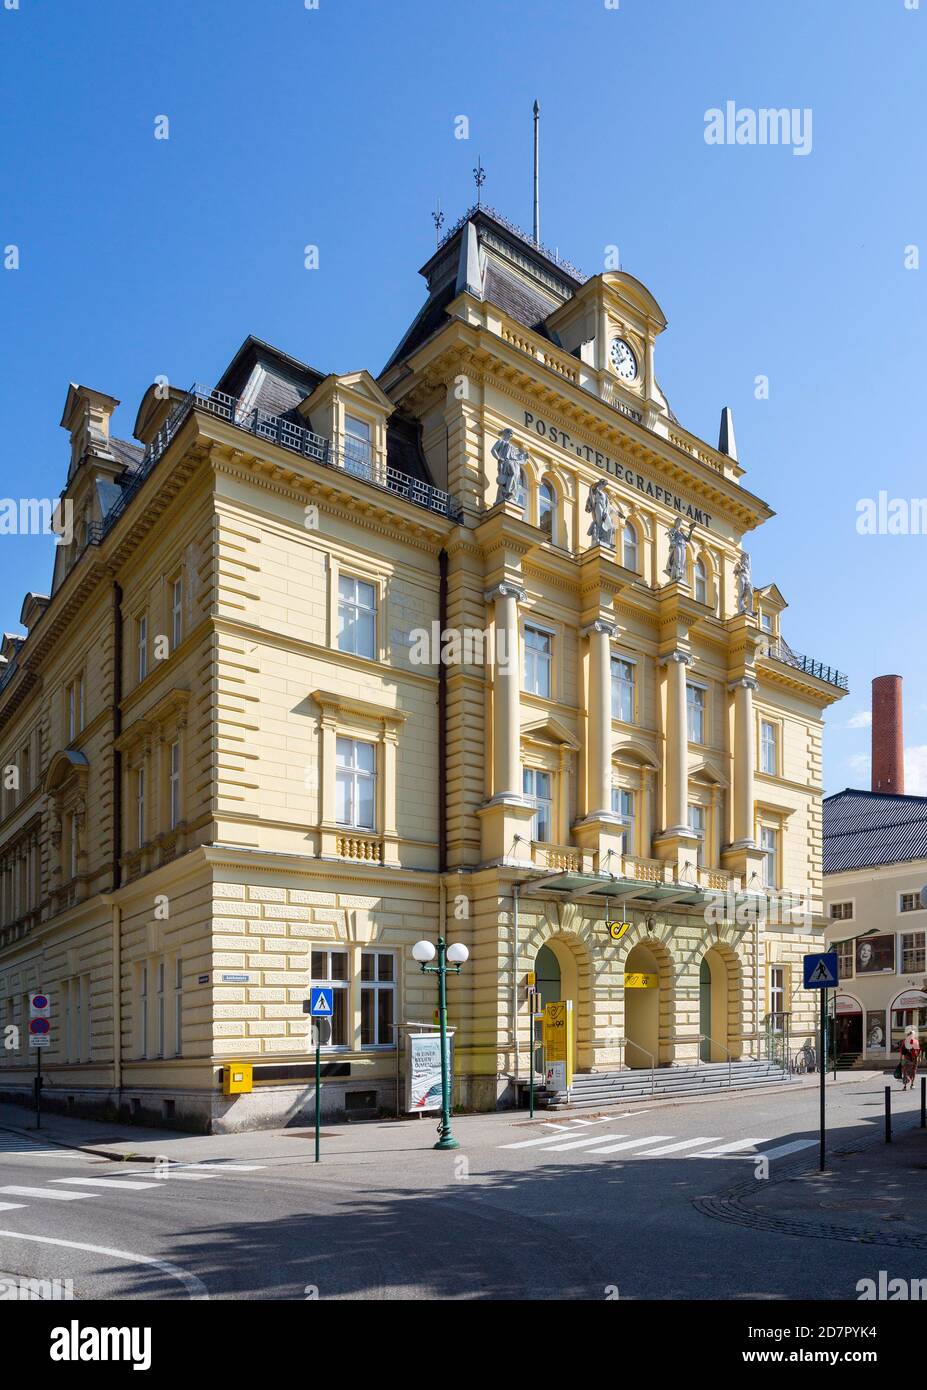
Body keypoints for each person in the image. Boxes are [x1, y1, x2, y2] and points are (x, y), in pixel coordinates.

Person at [898, 1025, 921, 1089]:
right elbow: (918, 1051)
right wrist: (919, 1058)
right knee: (913, 1071)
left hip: (907, 1058)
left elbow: (901, 1051)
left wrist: (900, 1059)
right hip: (914, 1058)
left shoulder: (904, 1041)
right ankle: (912, 1084)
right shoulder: (915, 1041)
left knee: (905, 1071)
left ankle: (905, 1086)